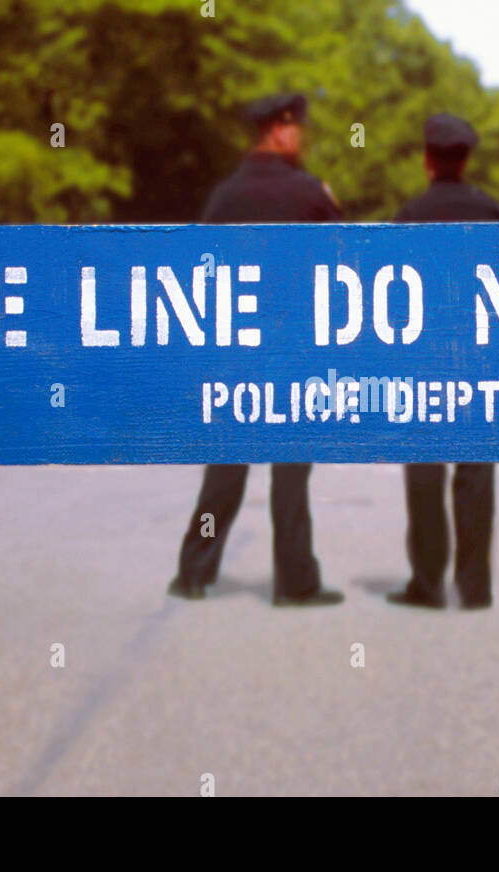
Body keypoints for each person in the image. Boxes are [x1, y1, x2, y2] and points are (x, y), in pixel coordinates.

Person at [168, 92, 344, 606]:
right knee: (290, 471)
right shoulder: (311, 193)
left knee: (224, 468)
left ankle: (194, 572)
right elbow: (344, 265)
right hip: (294, 349)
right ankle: (295, 583)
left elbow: (198, 276)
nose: (303, 138)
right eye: (300, 130)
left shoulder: (223, 198)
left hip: (234, 351)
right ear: (283, 130)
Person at [387, 113, 499, 611]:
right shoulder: (493, 213)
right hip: (478, 354)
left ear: (428, 159)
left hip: (424, 355)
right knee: (476, 471)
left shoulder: (410, 215)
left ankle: (428, 580)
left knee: (425, 470)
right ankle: (474, 586)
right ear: (465, 159)